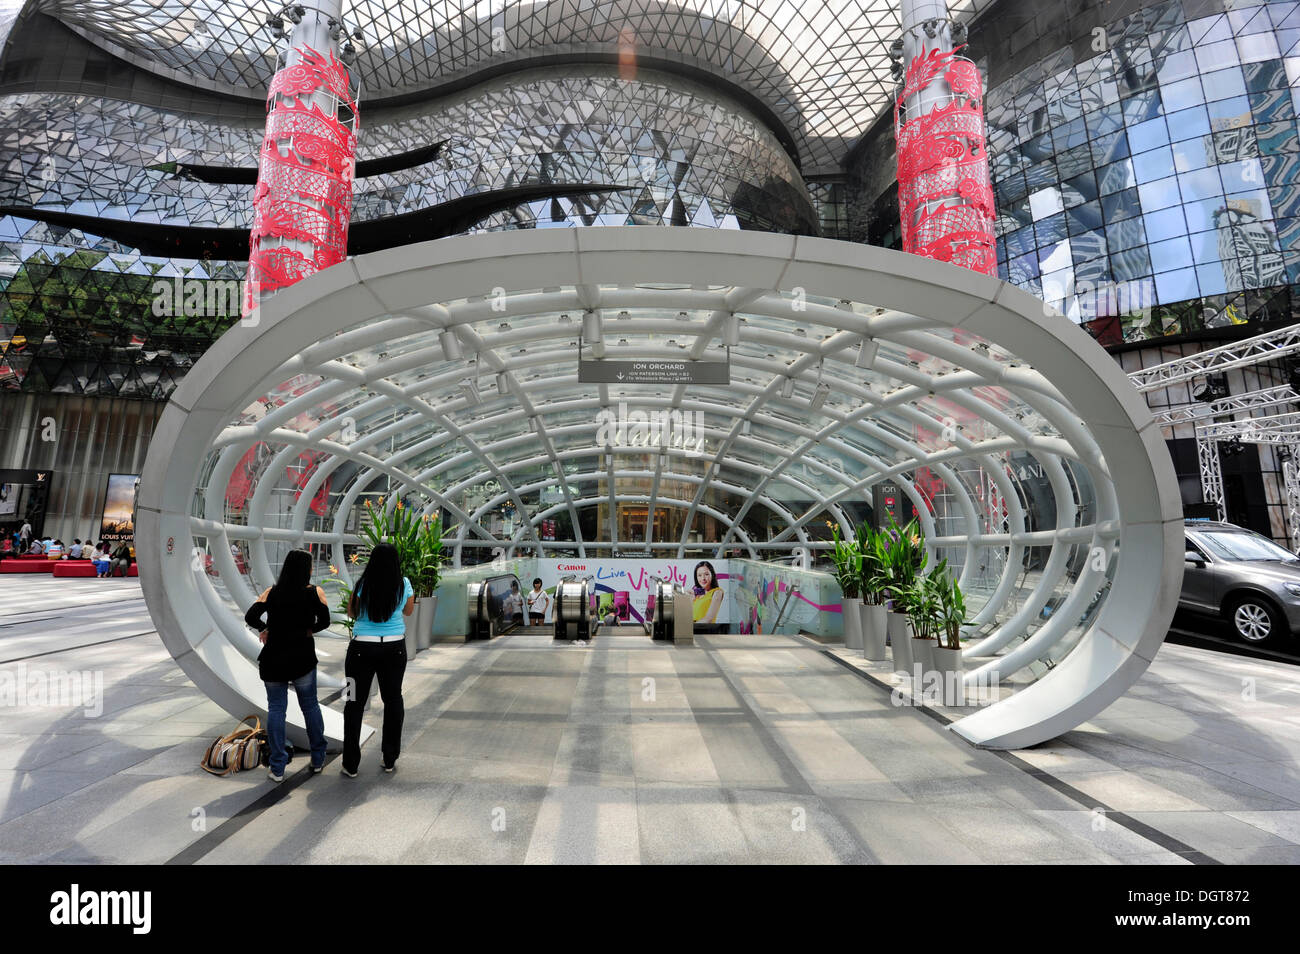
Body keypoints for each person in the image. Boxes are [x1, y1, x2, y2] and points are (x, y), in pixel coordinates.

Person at [243, 549, 331, 782]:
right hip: (302, 656)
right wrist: (309, 630)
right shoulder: (314, 592)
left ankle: (278, 766)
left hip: (274, 658)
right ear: (307, 569)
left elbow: (251, 615)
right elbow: (325, 620)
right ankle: (318, 757)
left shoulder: (272, 592)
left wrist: (265, 629)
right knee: (310, 706)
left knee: (276, 709)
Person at [342, 542, 413, 777]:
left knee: (353, 702)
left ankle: (351, 764)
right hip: (394, 648)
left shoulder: (363, 584)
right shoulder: (403, 584)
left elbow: (352, 612)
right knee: (393, 699)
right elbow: (409, 611)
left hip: (361, 648)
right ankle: (390, 757)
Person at [692, 560, 724, 624]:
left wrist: (689, 627)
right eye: (699, 575)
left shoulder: (717, 592)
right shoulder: (698, 592)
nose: (703, 578)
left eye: (706, 574)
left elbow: (708, 619)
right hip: (692, 629)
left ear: (712, 575)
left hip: (705, 630)